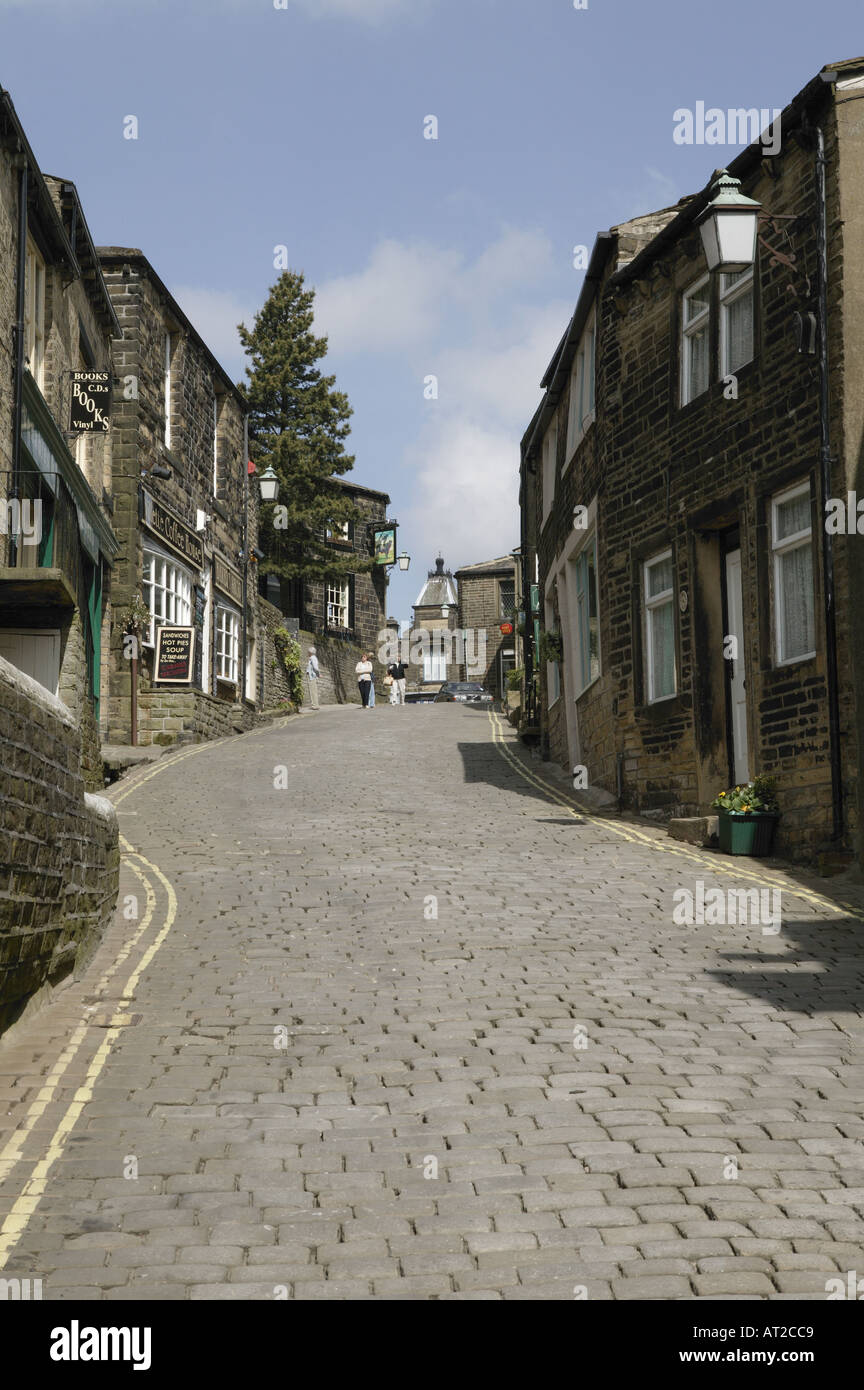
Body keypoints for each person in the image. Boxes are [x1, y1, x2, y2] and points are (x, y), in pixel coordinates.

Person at [305, 646, 320, 710]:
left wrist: (318, 674)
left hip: (312, 677)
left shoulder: (312, 658)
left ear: (310, 652)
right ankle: (315, 705)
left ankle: (315, 705)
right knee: (313, 691)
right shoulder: (312, 658)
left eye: (308, 652)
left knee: (313, 691)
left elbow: (315, 667)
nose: (307, 653)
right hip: (312, 676)